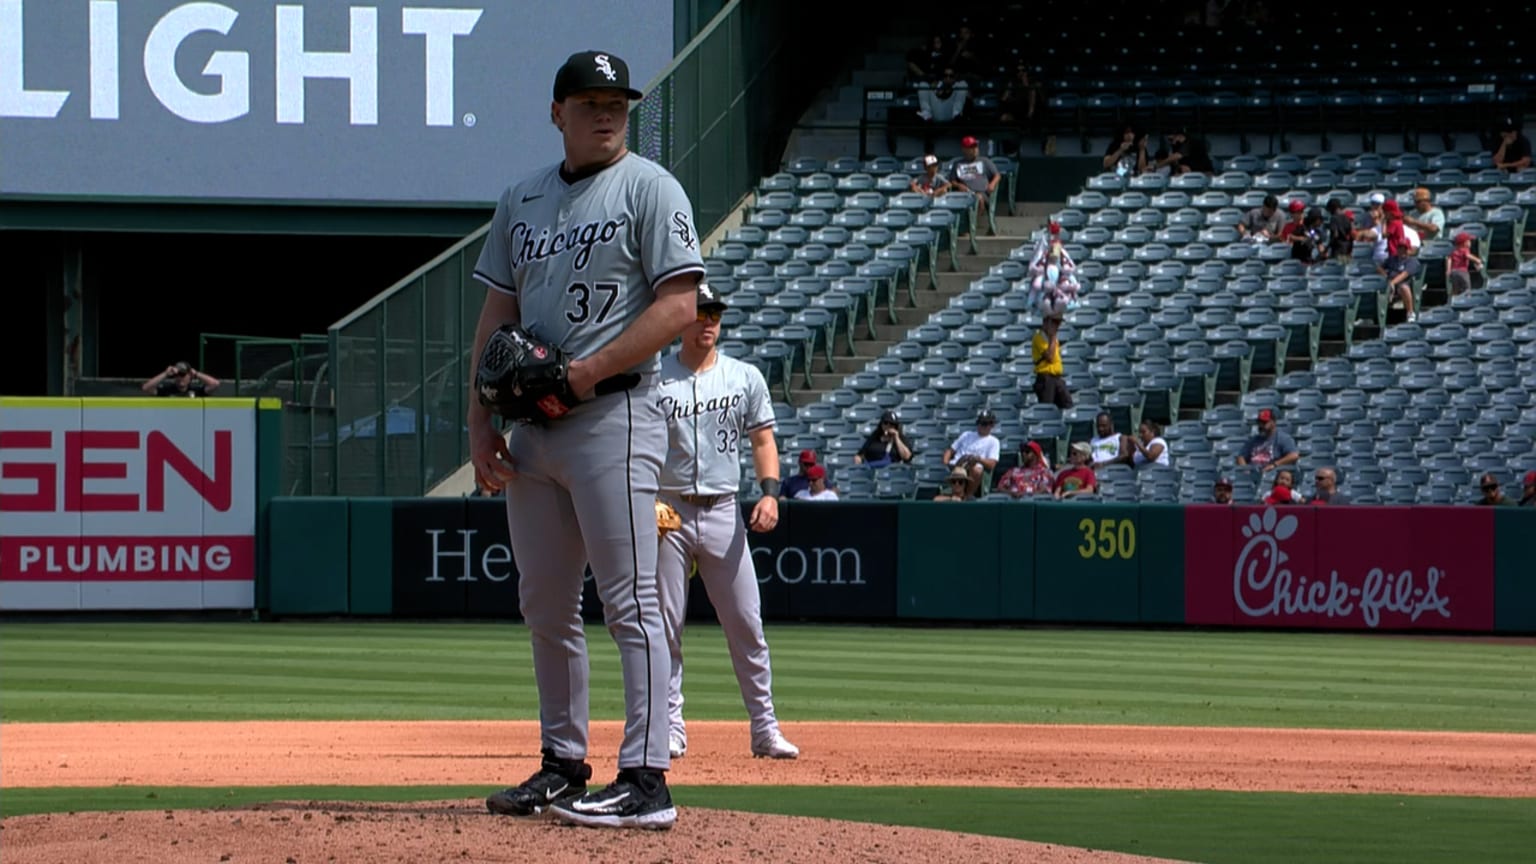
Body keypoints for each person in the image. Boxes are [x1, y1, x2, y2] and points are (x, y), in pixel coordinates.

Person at [468, 50, 704, 832]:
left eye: (618, 101)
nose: (607, 112)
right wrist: (479, 425)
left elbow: (678, 308)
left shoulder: (651, 188)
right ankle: (564, 763)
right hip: (533, 431)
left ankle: (645, 779)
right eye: (589, 99)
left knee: (632, 602)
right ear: (557, 110)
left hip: (614, 415)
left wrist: (583, 374)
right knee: (544, 605)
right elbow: (497, 318)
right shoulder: (521, 199)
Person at [654, 283, 799, 764]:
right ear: (682, 319)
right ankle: (671, 729)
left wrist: (771, 493)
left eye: (714, 313)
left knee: (745, 622)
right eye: (700, 312)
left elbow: (762, 440)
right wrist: (647, 497)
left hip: (723, 509)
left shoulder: (743, 377)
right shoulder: (656, 377)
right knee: (666, 626)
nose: (709, 321)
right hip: (669, 510)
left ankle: (765, 728)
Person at [942, 410, 1001, 499]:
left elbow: (992, 464)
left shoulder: (993, 441)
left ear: (991, 425)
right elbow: (950, 450)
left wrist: (979, 459)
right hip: (956, 465)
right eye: (980, 423)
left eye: (985, 423)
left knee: (977, 470)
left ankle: (966, 497)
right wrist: (946, 463)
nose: (982, 426)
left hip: (972, 467)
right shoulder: (966, 435)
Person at [1031, 314, 1072, 408]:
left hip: (1056, 377)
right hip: (1046, 378)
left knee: (1067, 403)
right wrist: (1052, 336)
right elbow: (1050, 357)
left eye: (1058, 323)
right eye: (1054, 323)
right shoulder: (1039, 337)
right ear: (1046, 322)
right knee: (1047, 408)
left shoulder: (1053, 339)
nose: (1057, 326)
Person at [142, 361, 220, 397]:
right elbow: (146, 388)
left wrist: (196, 374)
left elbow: (215, 384)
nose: (179, 377)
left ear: (190, 376)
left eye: (182, 375)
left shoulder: (197, 390)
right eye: (177, 375)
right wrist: (165, 374)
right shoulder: (166, 389)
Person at [1446, 232, 1483, 296]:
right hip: (1462, 272)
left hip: (1454, 272)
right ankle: (1468, 299)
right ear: (1464, 243)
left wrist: (1448, 270)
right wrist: (1477, 260)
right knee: (1467, 288)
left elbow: (1449, 259)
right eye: (1469, 241)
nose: (1470, 243)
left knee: (1455, 289)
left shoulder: (1454, 251)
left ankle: (1452, 300)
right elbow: (1468, 256)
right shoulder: (1465, 249)